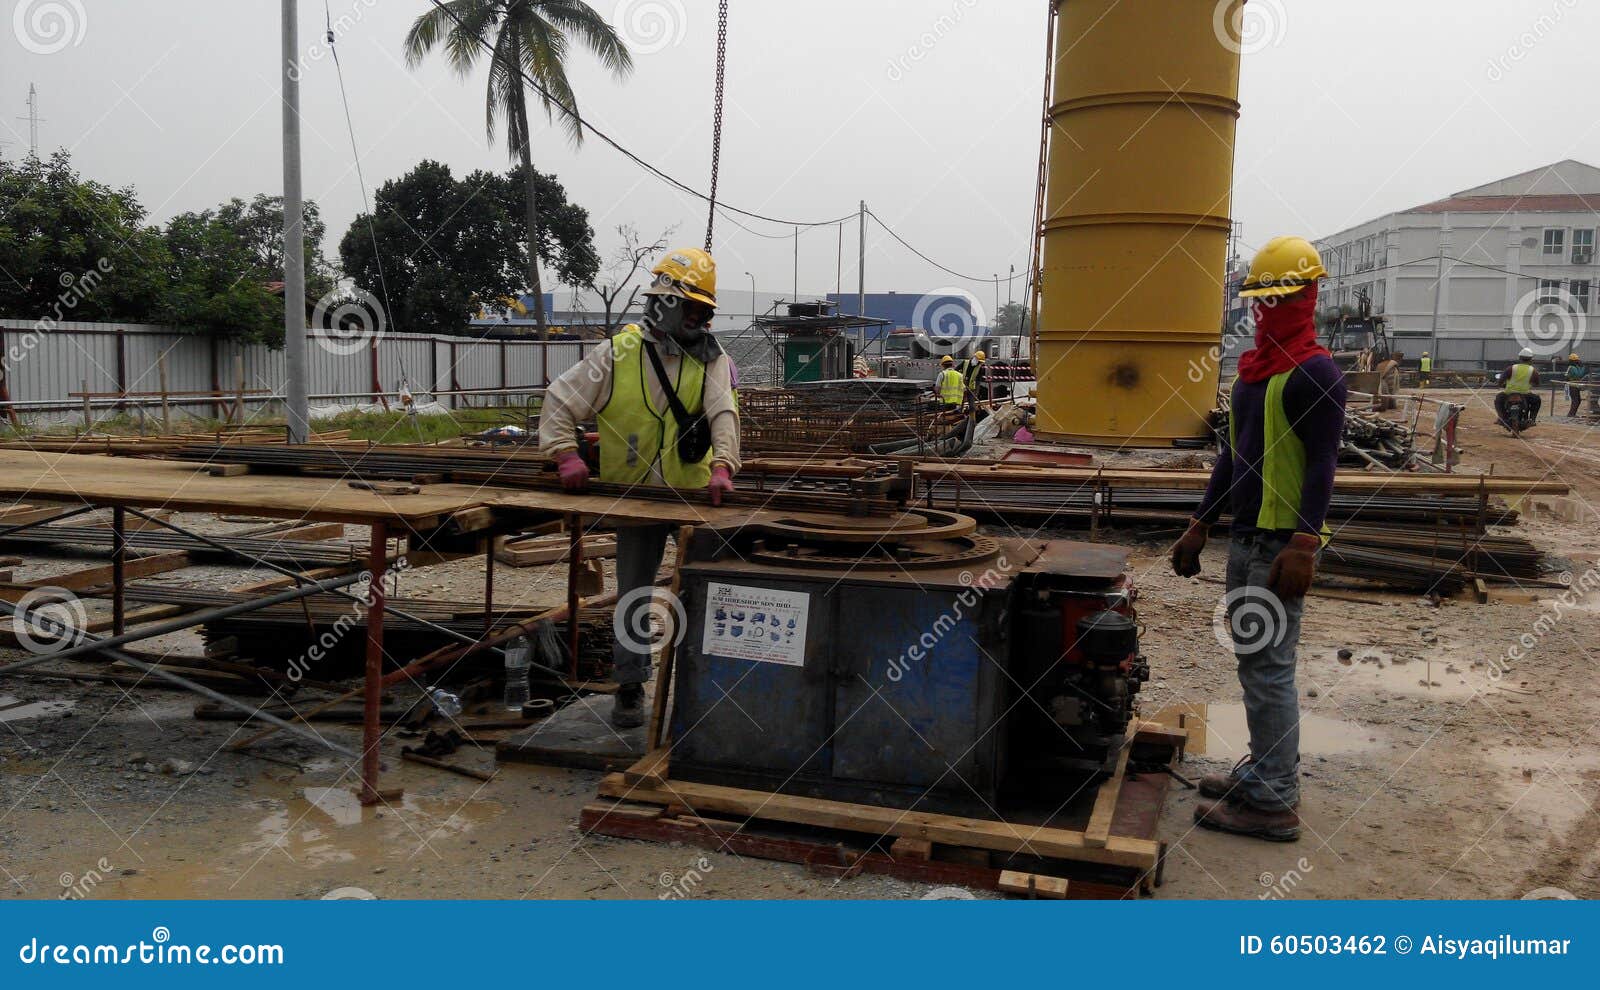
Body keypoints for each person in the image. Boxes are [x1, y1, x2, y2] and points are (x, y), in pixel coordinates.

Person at [1171, 234, 1347, 843]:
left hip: (1279, 549)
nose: (1269, 309)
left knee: (1269, 670)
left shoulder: (1316, 372)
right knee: (1254, 666)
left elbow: (1324, 461)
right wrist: (1201, 523)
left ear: (1307, 295)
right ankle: (1265, 773)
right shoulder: (1254, 372)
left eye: (1282, 296)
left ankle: (1274, 800)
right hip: (1246, 540)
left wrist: (1305, 544)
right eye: (1262, 298)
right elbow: (1234, 456)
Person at [539, 247, 739, 729]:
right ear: (665, 303)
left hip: (691, 496)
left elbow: (724, 413)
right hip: (633, 496)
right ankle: (630, 685)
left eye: (703, 311)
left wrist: (724, 466)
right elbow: (559, 401)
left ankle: (703, 684)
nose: (698, 319)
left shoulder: (711, 359)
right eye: (691, 309)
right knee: (633, 593)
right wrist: (564, 454)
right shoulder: (615, 354)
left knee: (706, 589)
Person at [1494, 347, 1542, 426]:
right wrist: (1530, 384)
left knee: (1498, 399)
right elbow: (1537, 384)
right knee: (1537, 400)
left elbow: (1501, 380)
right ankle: (1532, 419)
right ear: (1531, 359)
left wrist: (1500, 384)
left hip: (1508, 393)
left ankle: (1501, 418)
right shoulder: (1533, 370)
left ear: (1520, 358)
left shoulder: (1511, 368)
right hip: (1525, 394)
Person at [1564, 352, 1587, 418]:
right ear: (1573, 361)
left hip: (1575, 386)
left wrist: (1580, 367)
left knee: (1578, 400)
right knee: (1576, 400)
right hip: (1573, 386)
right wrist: (1582, 367)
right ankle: (1571, 414)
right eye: (1576, 360)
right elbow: (1579, 375)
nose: (1578, 361)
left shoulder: (1573, 367)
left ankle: (1572, 414)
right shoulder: (1572, 368)